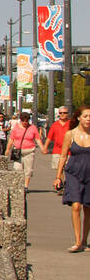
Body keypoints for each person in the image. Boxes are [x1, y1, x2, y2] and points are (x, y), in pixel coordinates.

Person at [56, 105, 90, 252]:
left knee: (88, 208)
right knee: (76, 205)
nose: (88, 119)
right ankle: (77, 242)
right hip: (74, 173)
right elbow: (63, 156)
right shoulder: (70, 134)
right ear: (78, 118)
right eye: (86, 116)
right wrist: (58, 176)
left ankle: (84, 240)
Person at [6, 111, 43, 189]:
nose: (25, 123)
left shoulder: (33, 128)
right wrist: (8, 149)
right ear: (20, 120)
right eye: (23, 121)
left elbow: (37, 139)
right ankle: (18, 185)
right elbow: (11, 139)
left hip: (29, 151)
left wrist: (43, 148)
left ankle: (25, 186)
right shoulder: (16, 128)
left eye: (26, 121)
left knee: (28, 170)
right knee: (17, 169)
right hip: (18, 152)